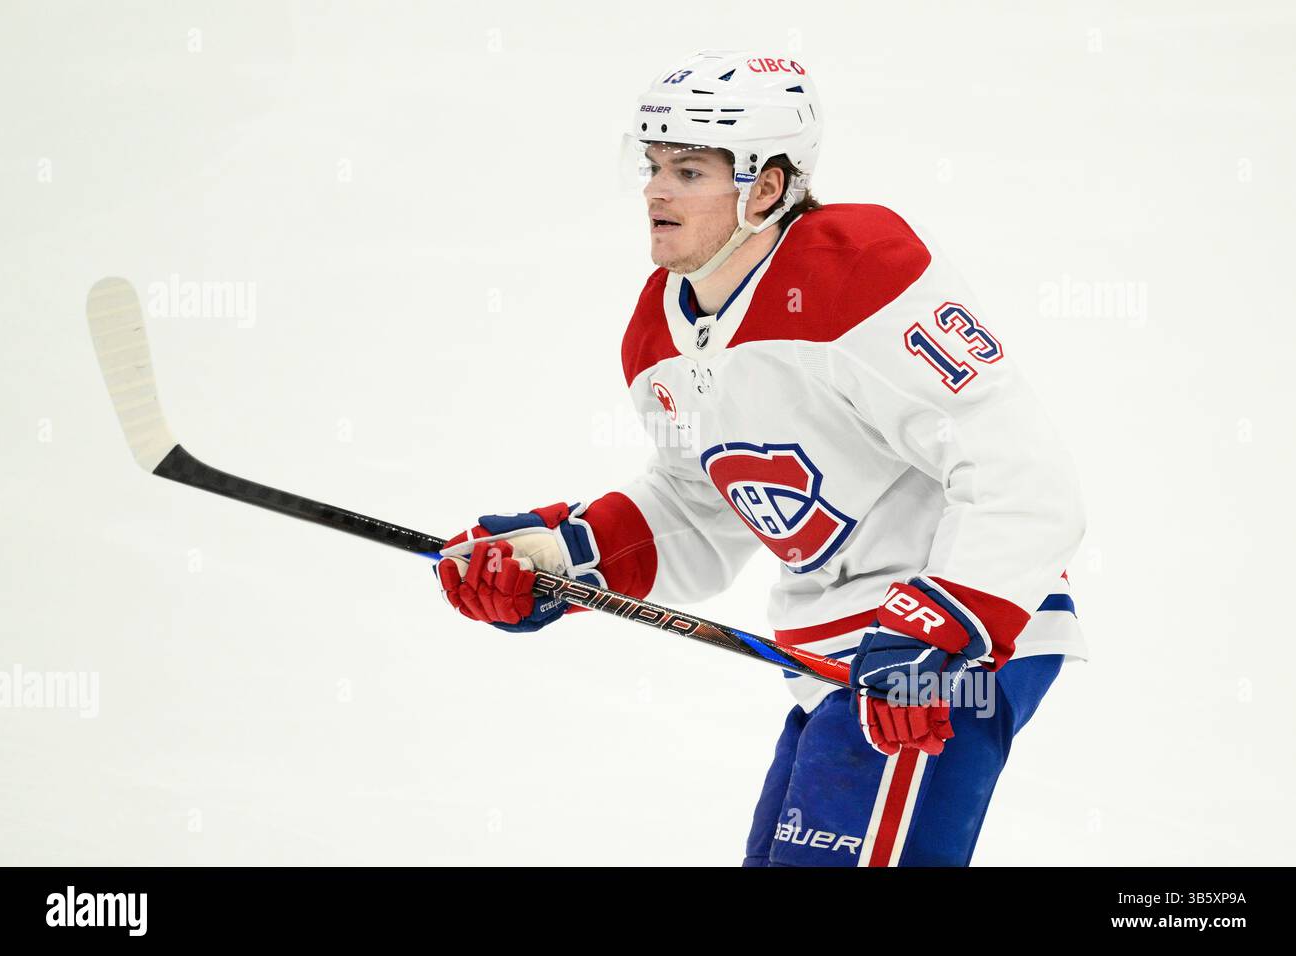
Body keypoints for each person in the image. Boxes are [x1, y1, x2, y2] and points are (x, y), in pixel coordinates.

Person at [434, 50, 1086, 866]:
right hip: (830, 671)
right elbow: (702, 510)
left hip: (951, 654)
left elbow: (1023, 477)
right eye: (654, 164)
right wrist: (569, 558)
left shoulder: (857, 269)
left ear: (766, 188)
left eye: (690, 169)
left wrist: (943, 626)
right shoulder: (656, 334)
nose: (655, 190)